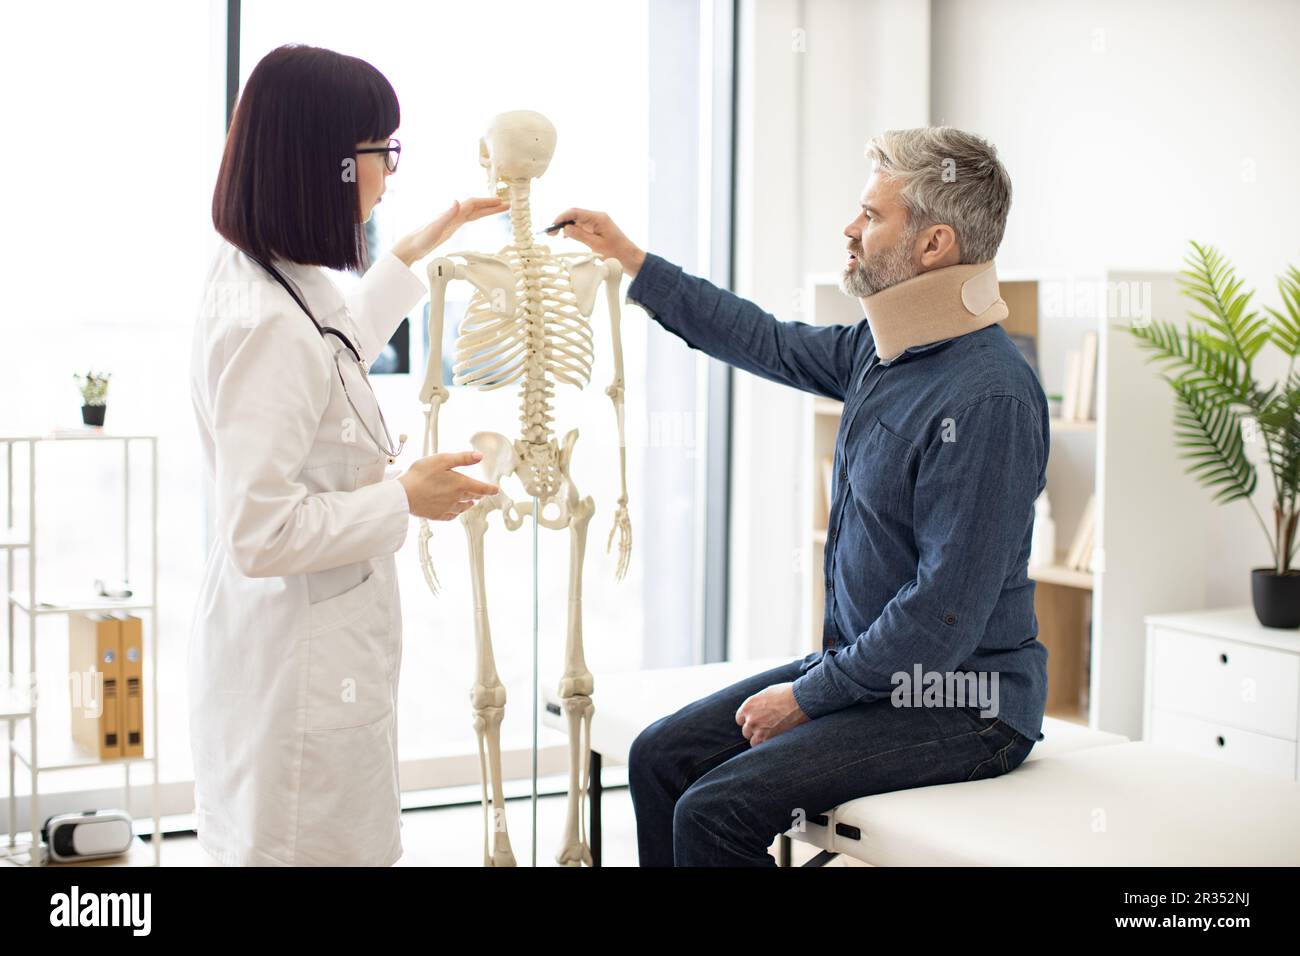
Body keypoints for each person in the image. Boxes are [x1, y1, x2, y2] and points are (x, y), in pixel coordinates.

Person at [553, 126, 1049, 866]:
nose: (851, 230)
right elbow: (767, 341)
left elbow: (942, 614)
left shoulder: (989, 401)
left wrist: (812, 695)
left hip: (963, 703)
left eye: (871, 216)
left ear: (935, 245)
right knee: (660, 756)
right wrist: (635, 262)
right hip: (878, 675)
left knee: (714, 812)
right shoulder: (883, 354)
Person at [189, 43, 505, 866]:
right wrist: (406, 497)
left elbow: (333, 348)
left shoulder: (275, 277)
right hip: (296, 671)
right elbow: (260, 531)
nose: (388, 174)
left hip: (313, 652)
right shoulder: (264, 320)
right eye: (380, 151)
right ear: (322, 159)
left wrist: (416, 249)